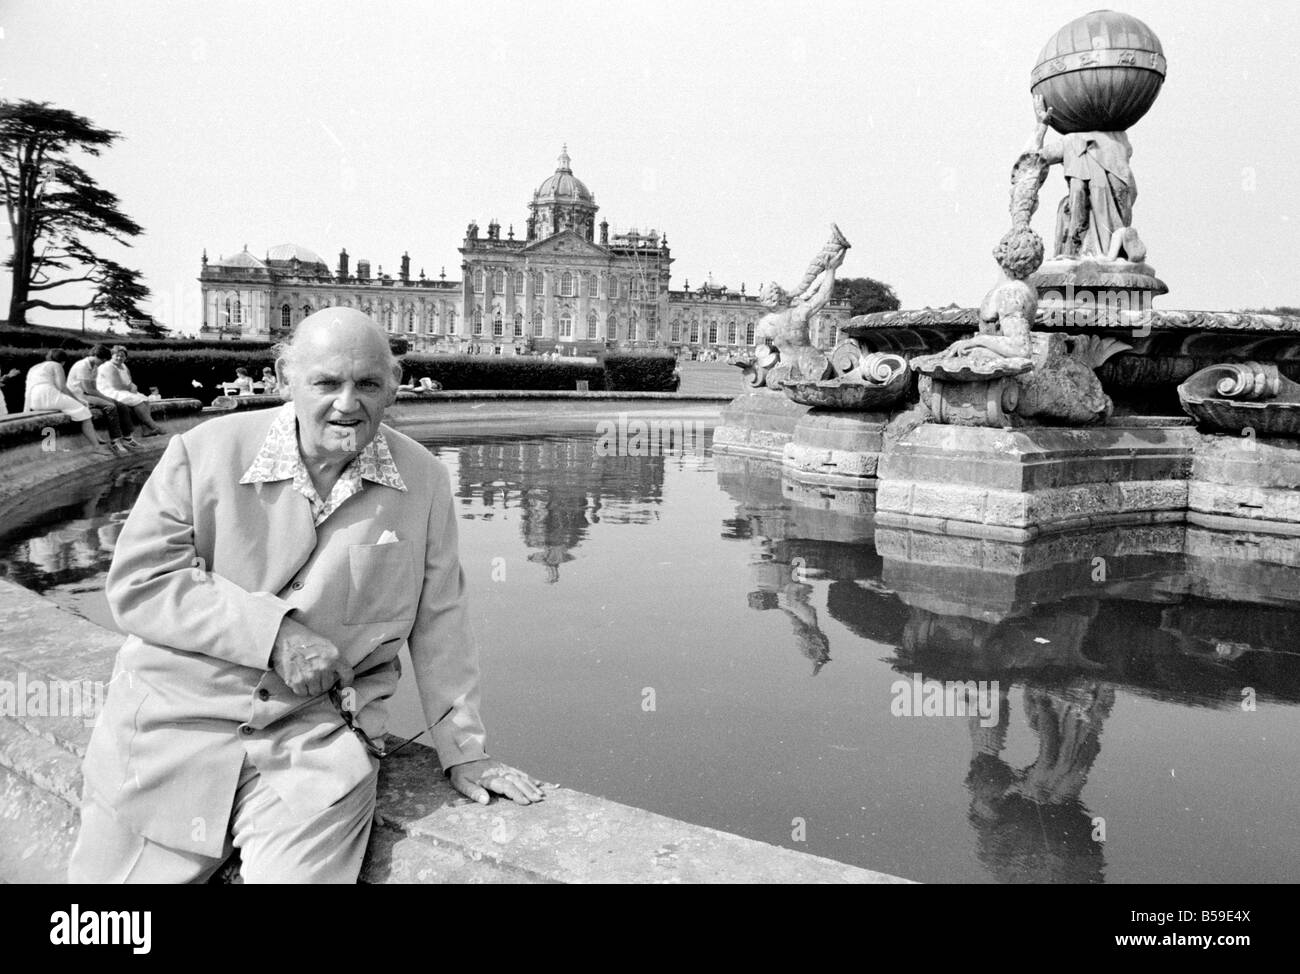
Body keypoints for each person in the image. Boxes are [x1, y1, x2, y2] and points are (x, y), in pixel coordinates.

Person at [68, 308, 543, 884]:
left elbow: (439, 619)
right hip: (171, 733)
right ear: (283, 378)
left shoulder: (424, 479)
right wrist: (276, 634)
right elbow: (142, 581)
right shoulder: (204, 451)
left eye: (368, 384)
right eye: (326, 383)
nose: (348, 403)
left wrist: (464, 748)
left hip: (313, 747)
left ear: (394, 387)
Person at [23, 349, 116, 456]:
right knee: (84, 410)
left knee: (75, 407)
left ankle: (95, 436)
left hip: (35, 400)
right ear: (63, 361)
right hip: (49, 396)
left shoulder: (34, 367)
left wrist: (26, 409)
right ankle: (96, 447)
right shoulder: (56, 365)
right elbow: (62, 387)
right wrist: (78, 401)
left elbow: (28, 390)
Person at [68, 345, 140, 452]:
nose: (104, 362)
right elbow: (88, 389)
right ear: (97, 356)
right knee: (110, 406)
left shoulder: (94, 366)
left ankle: (128, 438)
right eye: (103, 359)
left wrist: (106, 397)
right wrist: (106, 399)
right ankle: (115, 441)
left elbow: (94, 388)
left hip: (89, 394)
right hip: (79, 396)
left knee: (121, 405)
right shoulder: (82, 366)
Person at [96, 345, 167, 436]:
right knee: (138, 401)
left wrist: (133, 386)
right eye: (117, 355)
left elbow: (129, 380)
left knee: (145, 399)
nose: (119, 358)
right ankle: (153, 426)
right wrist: (131, 388)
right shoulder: (108, 366)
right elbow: (116, 385)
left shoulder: (123, 366)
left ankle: (146, 430)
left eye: (122, 356)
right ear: (112, 355)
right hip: (110, 392)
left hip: (123, 390)